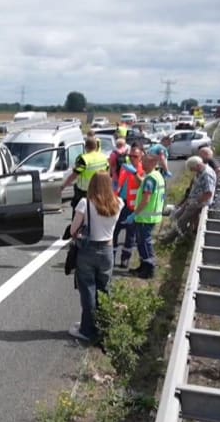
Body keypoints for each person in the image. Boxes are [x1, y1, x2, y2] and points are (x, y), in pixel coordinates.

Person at [68, 173, 122, 343]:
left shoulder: (85, 203)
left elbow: (73, 230)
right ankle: (104, 325)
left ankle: (87, 329)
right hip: (107, 250)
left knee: (88, 290)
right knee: (104, 288)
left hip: (88, 250)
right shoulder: (118, 203)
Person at [130, 149, 167, 279]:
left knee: (145, 243)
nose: (142, 164)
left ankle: (149, 268)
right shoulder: (157, 176)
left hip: (146, 217)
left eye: (144, 162)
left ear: (152, 163)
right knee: (142, 243)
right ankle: (143, 266)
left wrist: (134, 214)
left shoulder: (150, 179)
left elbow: (146, 199)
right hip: (151, 216)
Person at [167, 156, 217, 240]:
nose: (191, 171)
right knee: (176, 215)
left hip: (199, 202)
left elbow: (208, 193)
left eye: (192, 168)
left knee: (182, 220)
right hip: (192, 200)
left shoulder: (207, 174)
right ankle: (182, 234)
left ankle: (170, 239)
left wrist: (196, 202)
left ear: (197, 165)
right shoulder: (200, 171)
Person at [112, 145, 145, 268]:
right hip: (120, 203)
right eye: (130, 156)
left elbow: (142, 184)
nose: (131, 158)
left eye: (135, 156)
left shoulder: (143, 170)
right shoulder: (125, 168)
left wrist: (135, 173)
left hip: (133, 207)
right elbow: (119, 185)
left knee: (130, 235)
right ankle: (111, 256)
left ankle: (125, 259)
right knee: (114, 231)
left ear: (141, 156)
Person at [62, 137, 107, 209]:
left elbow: (74, 175)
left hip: (85, 192)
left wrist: (63, 186)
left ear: (86, 147)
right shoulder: (104, 157)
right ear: (96, 146)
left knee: (79, 212)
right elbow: (107, 173)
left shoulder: (83, 159)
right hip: (99, 190)